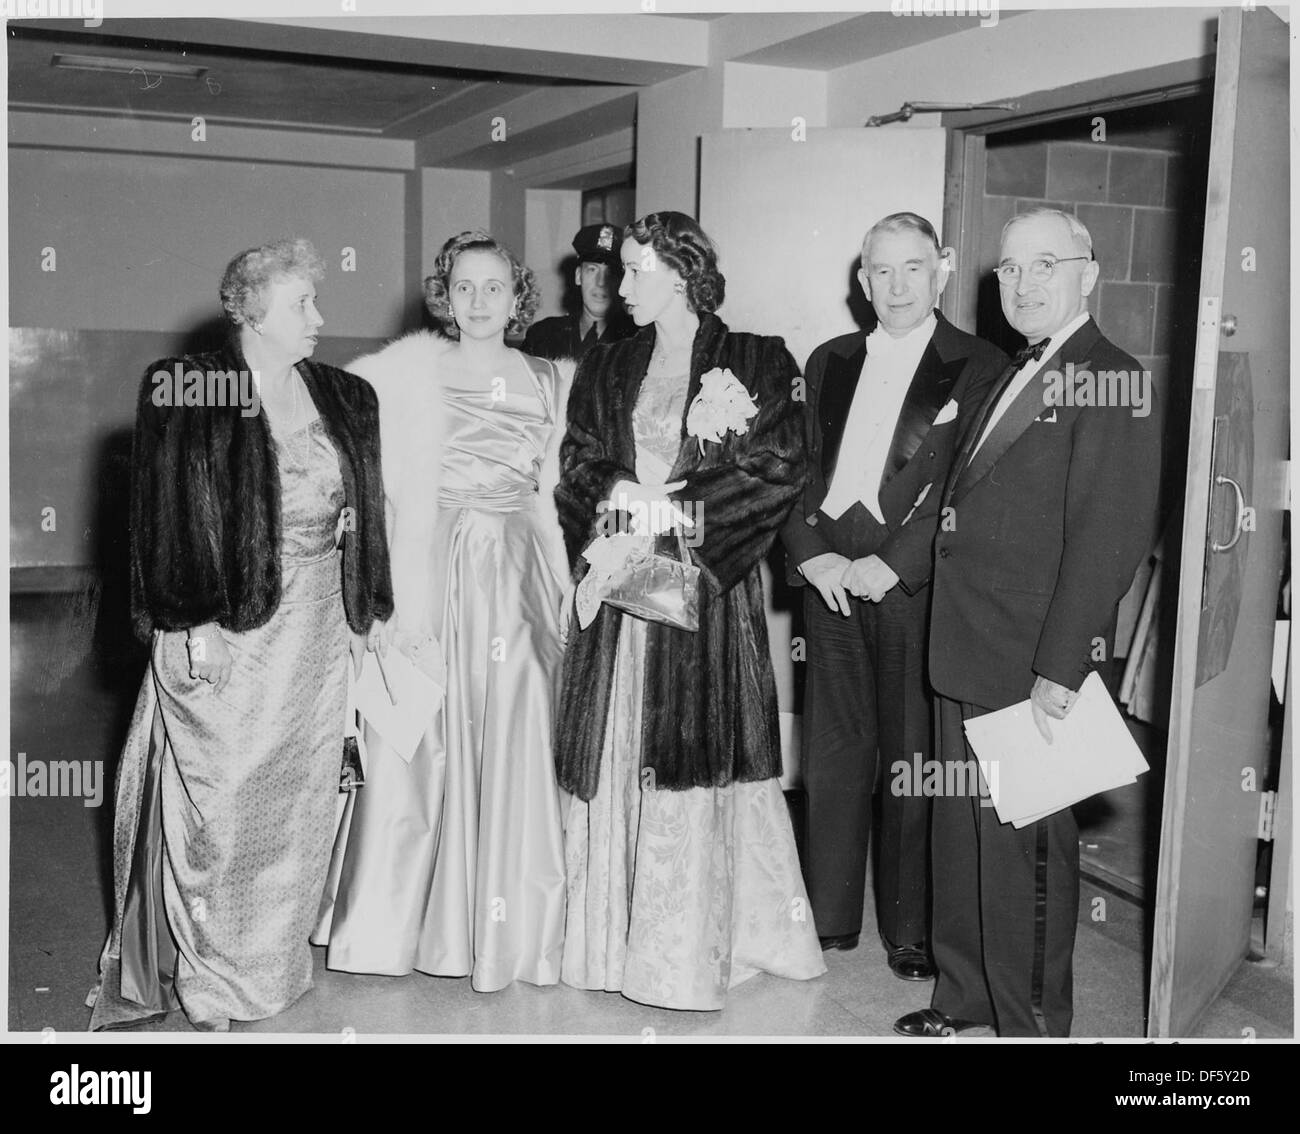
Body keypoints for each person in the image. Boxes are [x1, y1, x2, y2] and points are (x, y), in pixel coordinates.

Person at [89, 238, 393, 1031]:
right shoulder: (191, 388)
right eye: (303, 304)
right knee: (223, 802)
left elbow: (366, 506)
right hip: (230, 625)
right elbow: (165, 514)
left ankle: (273, 966)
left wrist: (367, 609)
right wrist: (189, 622)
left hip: (321, 624)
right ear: (250, 310)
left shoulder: (343, 395)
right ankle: (215, 979)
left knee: (299, 801)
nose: (320, 319)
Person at [894, 208, 1162, 1038]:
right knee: (962, 836)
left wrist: (1063, 664)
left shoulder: (1110, 376)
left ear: (1089, 273)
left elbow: (1108, 536)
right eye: (1010, 269)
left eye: (1045, 265)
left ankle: (1032, 1019)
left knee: (1031, 852)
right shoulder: (1011, 369)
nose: (1024, 283)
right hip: (963, 645)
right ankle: (964, 994)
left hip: (1032, 658)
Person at [554, 210, 826, 1010]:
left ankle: (682, 956)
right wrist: (617, 496)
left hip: (705, 592)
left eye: (635, 271)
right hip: (618, 594)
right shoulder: (606, 364)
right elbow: (576, 464)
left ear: (681, 272)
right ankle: (609, 945)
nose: (618, 285)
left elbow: (778, 467)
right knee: (618, 747)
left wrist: (673, 522)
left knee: (693, 755)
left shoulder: (757, 360)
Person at [314, 230, 571, 992]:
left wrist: (567, 585)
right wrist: (382, 602)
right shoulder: (402, 376)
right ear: (444, 295)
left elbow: (553, 495)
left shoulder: (553, 379)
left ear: (518, 296)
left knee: (518, 725)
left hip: (519, 568)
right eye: (465, 287)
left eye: (495, 287)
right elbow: (372, 492)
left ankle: (508, 930)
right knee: (418, 735)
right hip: (433, 561)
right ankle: (394, 922)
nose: (480, 301)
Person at [780, 212, 1007, 980]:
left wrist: (897, 562)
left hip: (912, 589)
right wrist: (811, 558)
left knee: (911, 759)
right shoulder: (828, 359)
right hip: (829, 583)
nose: (898, 285)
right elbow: (793, 470)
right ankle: (830, 913)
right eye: (882, 271)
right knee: (833, 754)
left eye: (914, 268)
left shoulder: (979, 364)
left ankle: (910, 929)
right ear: (861, 279)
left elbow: (964, 484)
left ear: (941, 269)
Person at [522, 223, 631, 362]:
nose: (601, 282)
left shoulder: (636, 341)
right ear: (579, 276)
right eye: (592, 269)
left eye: (611, 273)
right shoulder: (543, 335)